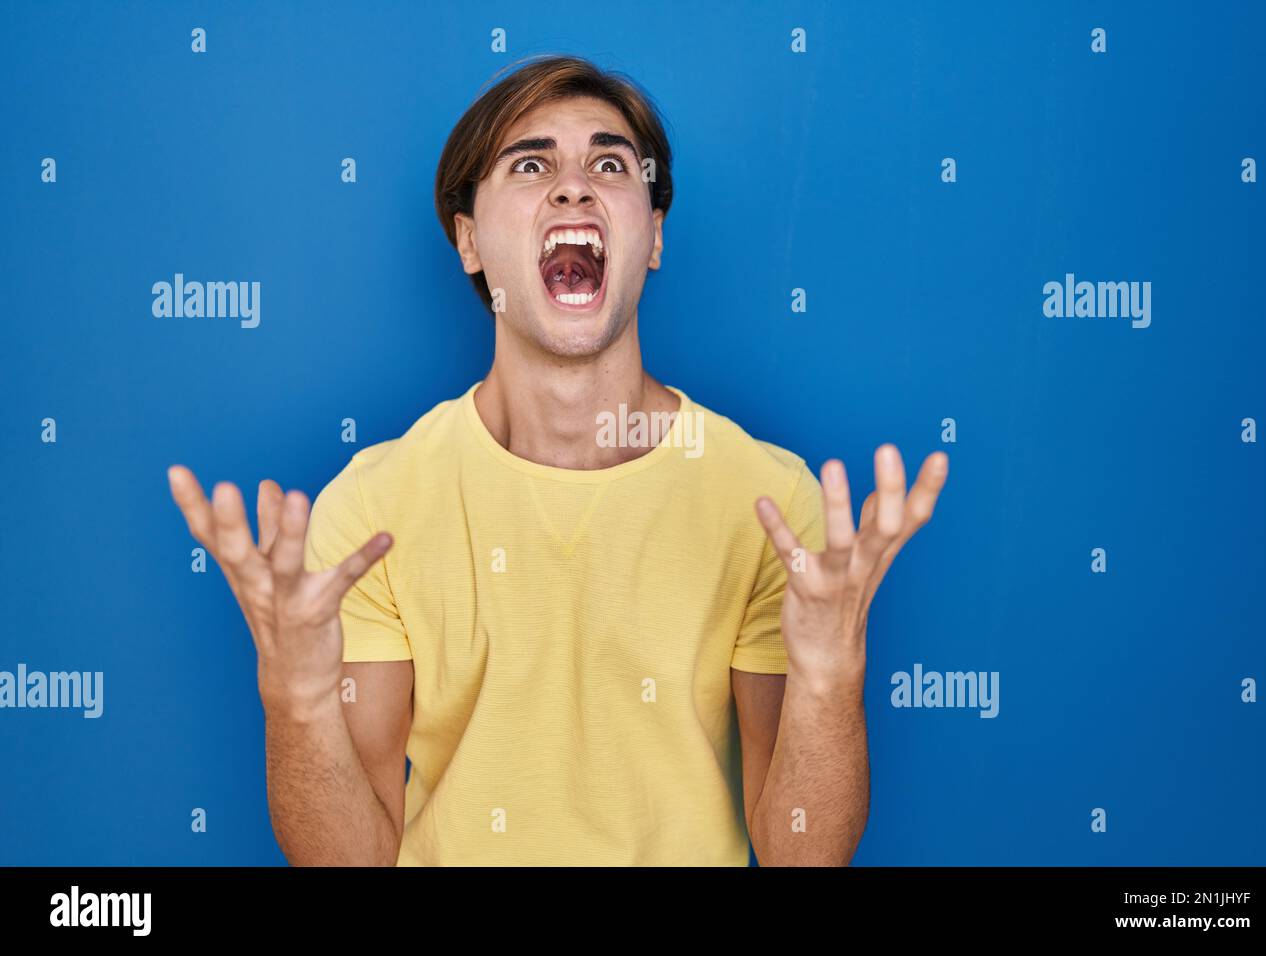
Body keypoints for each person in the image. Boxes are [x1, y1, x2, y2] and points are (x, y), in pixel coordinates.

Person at [166, 54, 949, 866]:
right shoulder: (373, 510)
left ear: (652, 236)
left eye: (610, 164)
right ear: (468, 239)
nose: (574, 187)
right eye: (531, 164)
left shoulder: (768, 501)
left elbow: (803, 856)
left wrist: (830, 677)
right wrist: (295, 700)